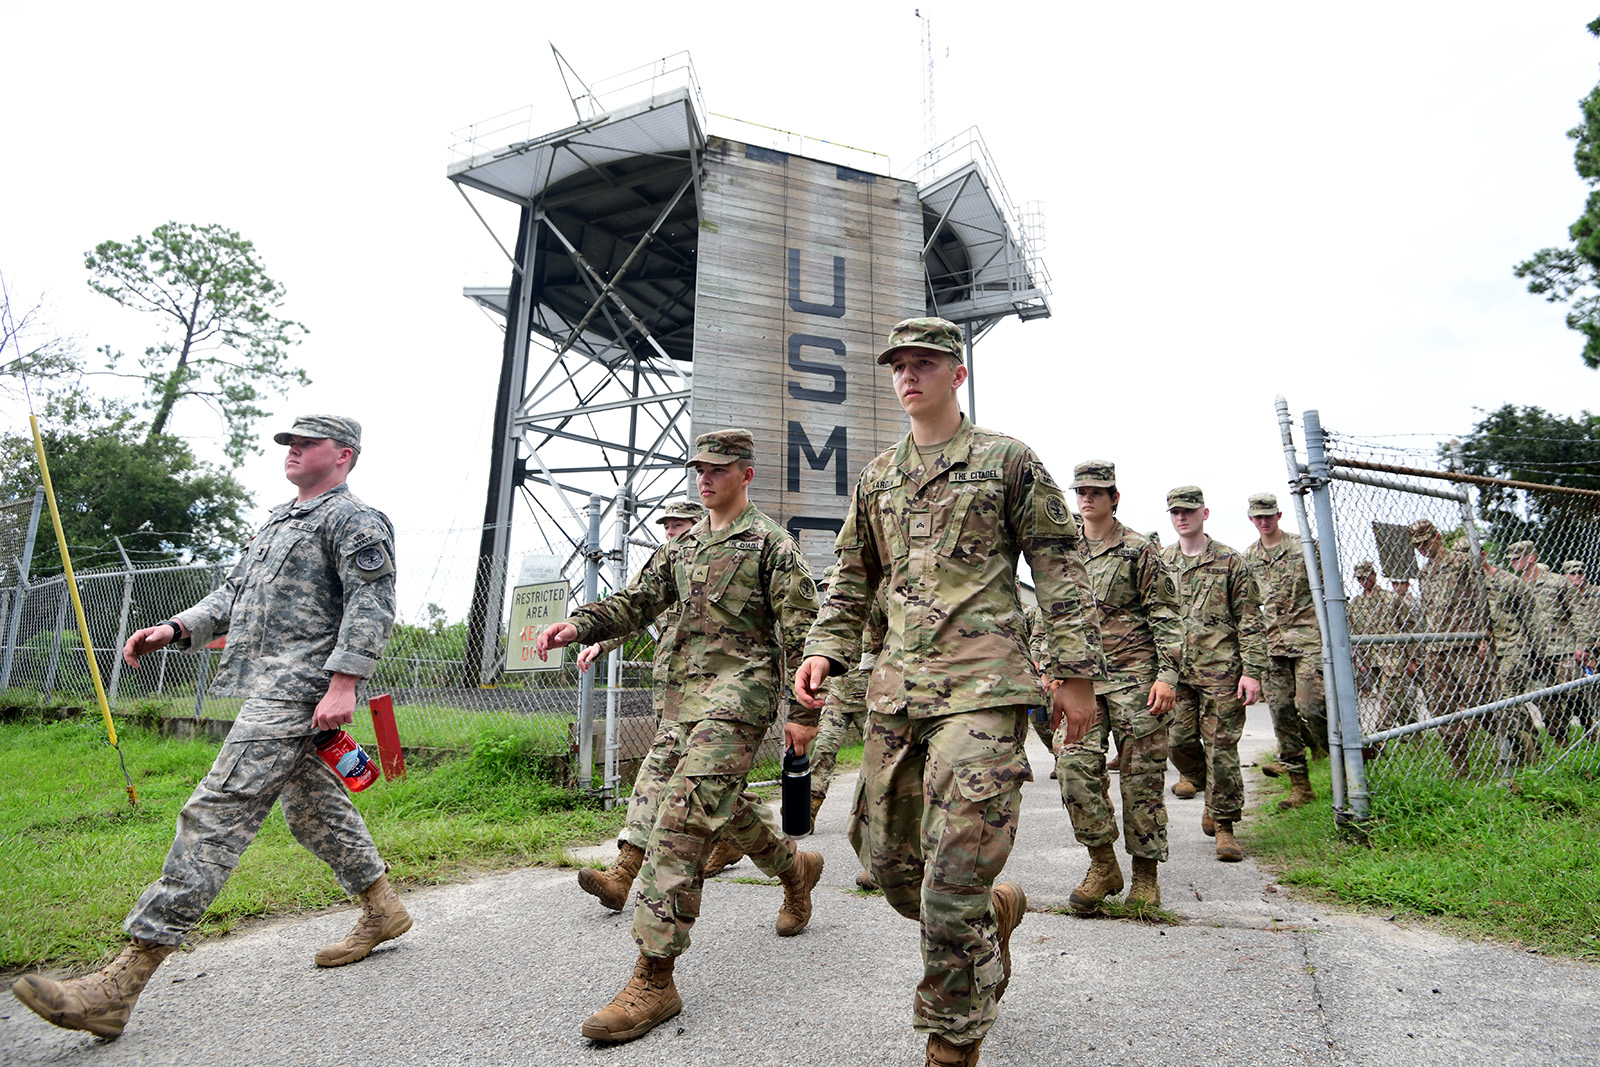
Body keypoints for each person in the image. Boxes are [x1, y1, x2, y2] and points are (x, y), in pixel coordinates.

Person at [12, 415, 407, 1039]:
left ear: (344, 455)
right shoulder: (277, 522)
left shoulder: (354, 520)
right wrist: (176, 628)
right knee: (313, 810)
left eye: (307, 442)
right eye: (289, 442)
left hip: (298, 690)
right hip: (269, 685)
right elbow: (231, 594)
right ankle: (382, 907)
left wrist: (344, 683)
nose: (293, 450)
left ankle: (120, 983)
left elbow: (372, 604)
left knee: (216, 814)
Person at [794, 316, 1104, 1067]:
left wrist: (1076, 675)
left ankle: (953, 1040)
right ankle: (993, 916)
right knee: (890, 865)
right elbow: (851, 579)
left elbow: (1060, 567)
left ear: (956, 373)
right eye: (899, 364)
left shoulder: (1007, 461)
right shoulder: (878, 477)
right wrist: (824, 650)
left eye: (924, 362)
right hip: (897, 694)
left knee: (954, 872)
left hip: (983, 688)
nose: (909, 375)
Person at [534, 428, 822, 1045]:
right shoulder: (682, 548)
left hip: (738, 703)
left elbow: (804, 633)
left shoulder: (772, 546)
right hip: (680, 706)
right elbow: (636, 601)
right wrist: (577, 626)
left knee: (682, 822)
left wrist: (804, 715)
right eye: (699, 469)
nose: (705, 478)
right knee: (718, 809)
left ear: (745, 474)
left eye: (718, 468)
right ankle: (794, 869)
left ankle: (653, 977)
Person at [1056, 461, 1183, 910]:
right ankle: (1103, 864)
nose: (1087, 498)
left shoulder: (1138, 549)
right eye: (1081, 491)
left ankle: (1145, 877)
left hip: (1136, 679)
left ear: (1114, 497)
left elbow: (1165, 614)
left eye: (1097, 491)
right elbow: (1052, 612)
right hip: (1083, 681)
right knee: (1073, 766)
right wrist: (1049, 666)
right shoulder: (1064, 548)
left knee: (1141, 779)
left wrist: (1167, 676)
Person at [571, 498, 707, 907]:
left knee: (681, 775)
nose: (670, 531)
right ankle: (625, 872)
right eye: (666, 525)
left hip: (715, 695)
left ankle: (625, 872)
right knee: (690, 778)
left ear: (699, 524)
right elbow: (636, 612)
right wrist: (598, 643)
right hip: (672, 692)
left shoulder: (718, 566)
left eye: (678, 524)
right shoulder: (666, 570)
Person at [1162, 486, 1265, 861]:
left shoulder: (1231, 561)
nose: (1182, 517)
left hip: (1222, 672)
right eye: (1175, 512)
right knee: (1176, 741)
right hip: (1176, 672)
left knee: (1221, 748)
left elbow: (1250, 620)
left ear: (1204, 514)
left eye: (1188, 511)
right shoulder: (1161, 561)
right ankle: (1209, 787)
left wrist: (1252, 672)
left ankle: (1224, 826)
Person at [1243, 493, 1327, 809]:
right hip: (1272, 646)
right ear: (1251, 519)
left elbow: (1329, 589)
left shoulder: (1304, 547)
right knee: (1281, 714)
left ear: (1278, 515)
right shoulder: (1248, 558)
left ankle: (1340, 756)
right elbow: (1249, 607)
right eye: (1258, 517)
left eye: (1269, 515)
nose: (1264, 521)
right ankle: (1301, 787)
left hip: (1307, 640)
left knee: (1311, 707)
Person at [809, 581, 887, 888]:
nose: (830, 591)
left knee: (877, 766)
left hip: (869, 699)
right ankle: (807, 813)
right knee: (822, 751)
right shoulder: (832, 618)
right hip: (838, 699)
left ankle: (880, 848)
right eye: (827, 587)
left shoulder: (875, 608)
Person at [1407, 519, 1490, 776]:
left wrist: (1485, 635)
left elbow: (1483, 597)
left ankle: (1518, 749)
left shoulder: (1462, 562)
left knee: (1483, 703)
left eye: (1426, 542)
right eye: (1417, 545)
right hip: (1436, 649)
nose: (1423, 549)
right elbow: (1428, 610)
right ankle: (1460, 767)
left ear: (1438, 537)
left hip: (1465, 644)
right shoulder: (1424, 573)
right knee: (1443, 709)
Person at [1508, 541, 1585, 744]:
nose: (1513, 562)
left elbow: (1576, 613)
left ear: (1531, 558)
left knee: (1573, 692)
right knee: (1544, 698)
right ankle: (1560, 740)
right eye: (1511, 559)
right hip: (1534, 652)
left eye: (1517, 558)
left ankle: (1588, 724)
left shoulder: (1557, 582)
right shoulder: (1515, 586)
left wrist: (1581, 644)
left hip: (1563, 647)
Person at [1480, 556, 1546, 773]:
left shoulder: (1508, 581)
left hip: (1513, 646)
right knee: (1505, 703)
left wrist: (1538, 652)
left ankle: (1525, 753)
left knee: (1507, 701)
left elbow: (1531, 616)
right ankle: (1530, 748)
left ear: (1481, 555)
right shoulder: (1470, 584)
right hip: (1490, 652)